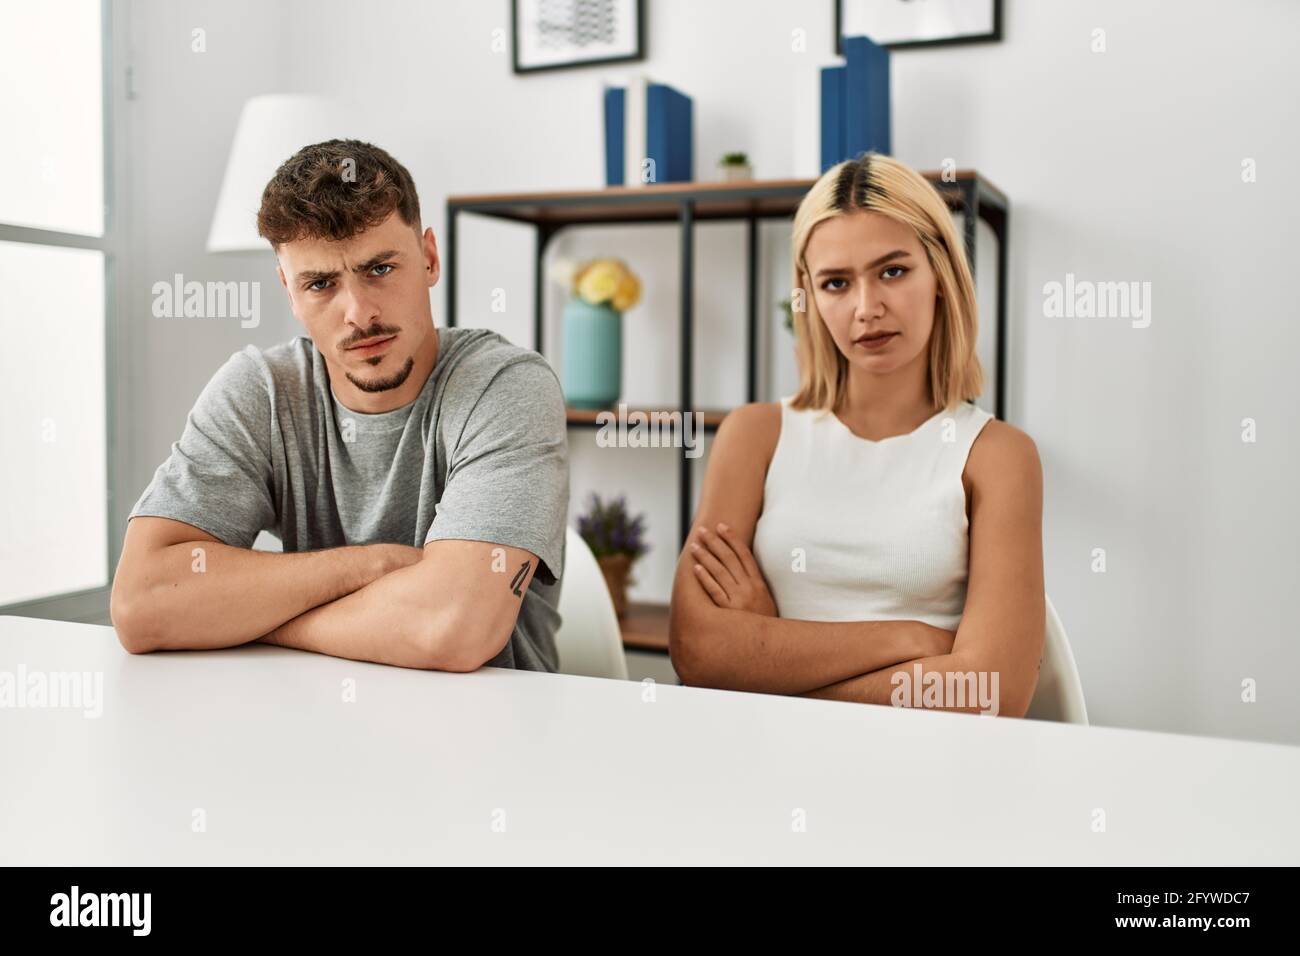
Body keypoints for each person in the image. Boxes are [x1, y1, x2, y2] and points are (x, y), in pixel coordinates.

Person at [111, 139, 568, 672]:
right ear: (288, 289)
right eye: (321, 284)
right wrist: (369, 566)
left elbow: (451, 628)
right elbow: (141, 605)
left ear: (428, 258)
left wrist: (249, 618)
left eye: (379, 269)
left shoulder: (505, 386)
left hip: (485, 737)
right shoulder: (262, 389)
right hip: (312, 729)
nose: (358, 313)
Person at [669, 152, 1044, 716]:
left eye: (893, 271)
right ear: (810, 298)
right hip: (767, 765)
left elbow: (989, 691)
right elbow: (697, 651)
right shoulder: (754, 436)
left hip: (929, 775)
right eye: (836, 283)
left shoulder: (996, 457)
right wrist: (909, 640)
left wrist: (768, 651)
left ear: (940, 274)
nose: (866, 309)